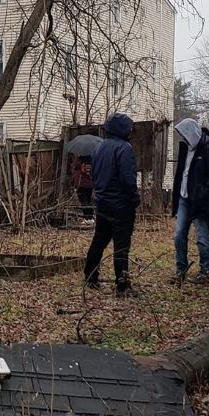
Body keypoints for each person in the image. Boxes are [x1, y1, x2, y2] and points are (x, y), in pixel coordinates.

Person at [83, 112, 139, 295]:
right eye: (129, 127)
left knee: (99, 241)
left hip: (102, 202)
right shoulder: (124, 148)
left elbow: (95, 175)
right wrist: (134, 199)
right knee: (121, 245)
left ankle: (90, 277)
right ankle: (122, 285)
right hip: (121, 205)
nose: (131, 130)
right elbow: (128, 179)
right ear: (123, 130)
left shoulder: (99, 148)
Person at [171, 117, 209, 283]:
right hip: (184, 197)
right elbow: (181, 174)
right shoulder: (185, 149)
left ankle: (206, 271)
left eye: (185, 134)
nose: (183, 138)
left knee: (202, 237)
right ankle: (181, 270)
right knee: (179, 235)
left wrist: (203, 196)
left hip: (200, 201)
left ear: (192, 133)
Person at [72, 155, 95, 219]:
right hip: (90, 184)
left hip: (80, 184)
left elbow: (75, 169)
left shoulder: (78, 161)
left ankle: (86, 217)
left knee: (83, 200)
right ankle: (90, 216)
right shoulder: (92, 161)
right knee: (88, 199)